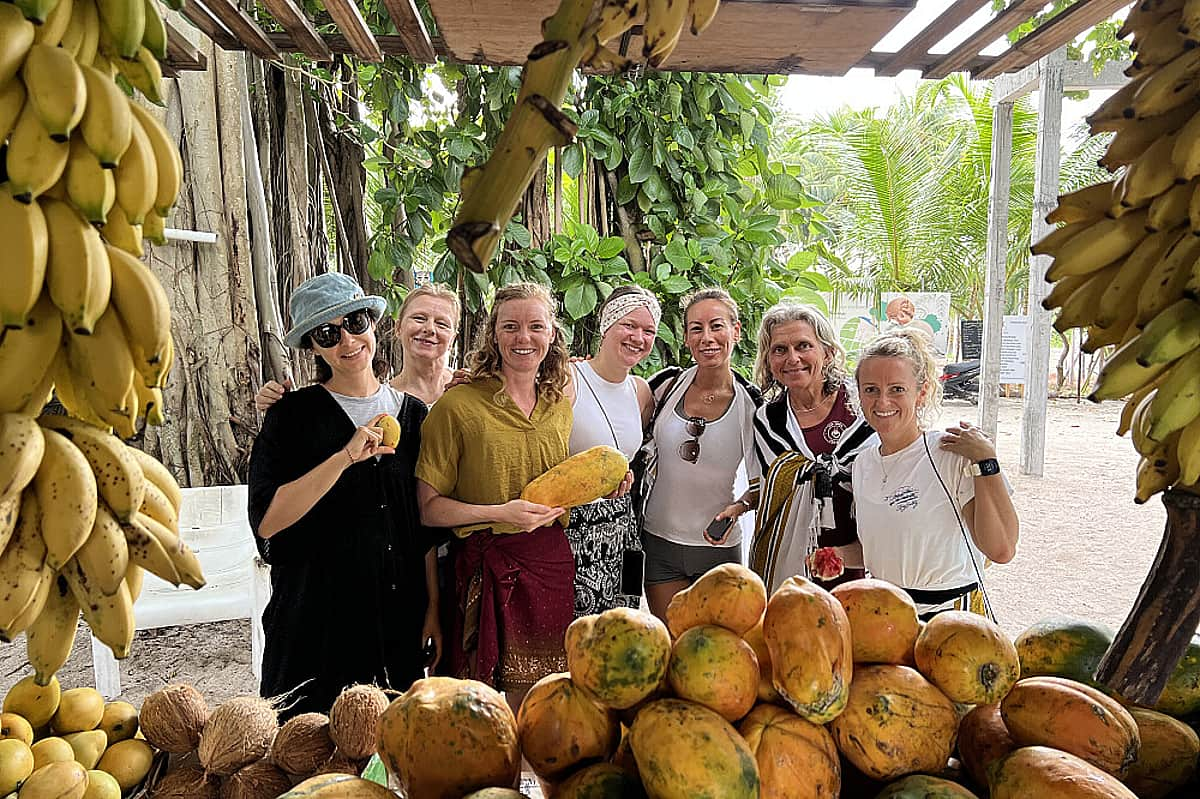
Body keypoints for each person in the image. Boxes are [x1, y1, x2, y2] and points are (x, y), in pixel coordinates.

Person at [247, 273, 440, 718]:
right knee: (308, 758)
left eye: (355, 322)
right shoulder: (290, 417)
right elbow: (268, 522)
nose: (347, 341)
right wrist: (344, 457)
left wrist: (432, 607)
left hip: (397, 617)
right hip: (315, 619)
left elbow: (423, 526)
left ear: (373, 324)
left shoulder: (415, 417)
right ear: (313, 347)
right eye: (327, 333)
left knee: (390, 757)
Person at [414, 282, 575, 709]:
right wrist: (500, 511)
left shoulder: (560, 404)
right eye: (511, 327)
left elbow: (561, 483)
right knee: (472, 707)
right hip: (483, 562)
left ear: (552, 335)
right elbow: (428, 510)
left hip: (550, 564)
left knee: (542, 704)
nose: (524, 338)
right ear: (493, 335)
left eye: (536, 326)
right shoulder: (458, 407)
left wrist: (604, 485)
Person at [851, 328, 1019, 619]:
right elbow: (887, 549)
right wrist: (831, 557)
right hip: (887, 619)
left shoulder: (949, 453)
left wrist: (986, 461)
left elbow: (1001, 549)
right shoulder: (862, 463)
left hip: (952, 620)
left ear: (922, 392)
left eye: (897, 389)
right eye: (871, 389)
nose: (882, 402)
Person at [717, 303, 876, 593]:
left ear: (827, 352)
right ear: (768, 361)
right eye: (779, 350)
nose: (793, 358)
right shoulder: (769, 422)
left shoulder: (862, 407)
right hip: (790, 560)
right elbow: (773, 487)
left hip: (864, 559)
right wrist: (740, 506)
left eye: (804, 346)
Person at [639, 287, 761, 622]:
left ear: (736, 331)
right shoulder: (664, 385)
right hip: (658, 543)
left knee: (715, 656)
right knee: (668, 649)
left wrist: (737, 508)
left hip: (717, 552)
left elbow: (766, 484)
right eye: (696, 328)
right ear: (686, 337)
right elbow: (619, 419)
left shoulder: (753, 405)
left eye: (716, 326)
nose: (707, 337)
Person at [565, 285, 658, 617]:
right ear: (606, 325)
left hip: (625, 532)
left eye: (648, 331)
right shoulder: (568, 377)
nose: (638, 337)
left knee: (625, 627)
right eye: (629, 325)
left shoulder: (641, 391)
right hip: (573, 531)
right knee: (577, 639)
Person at [255, 283, 461, 409]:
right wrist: (277, 402)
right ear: (398, 327)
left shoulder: (471, 387)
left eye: (442, 324)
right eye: (419, 318)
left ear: (453, 337)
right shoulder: (388, 404)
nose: (429, 329)